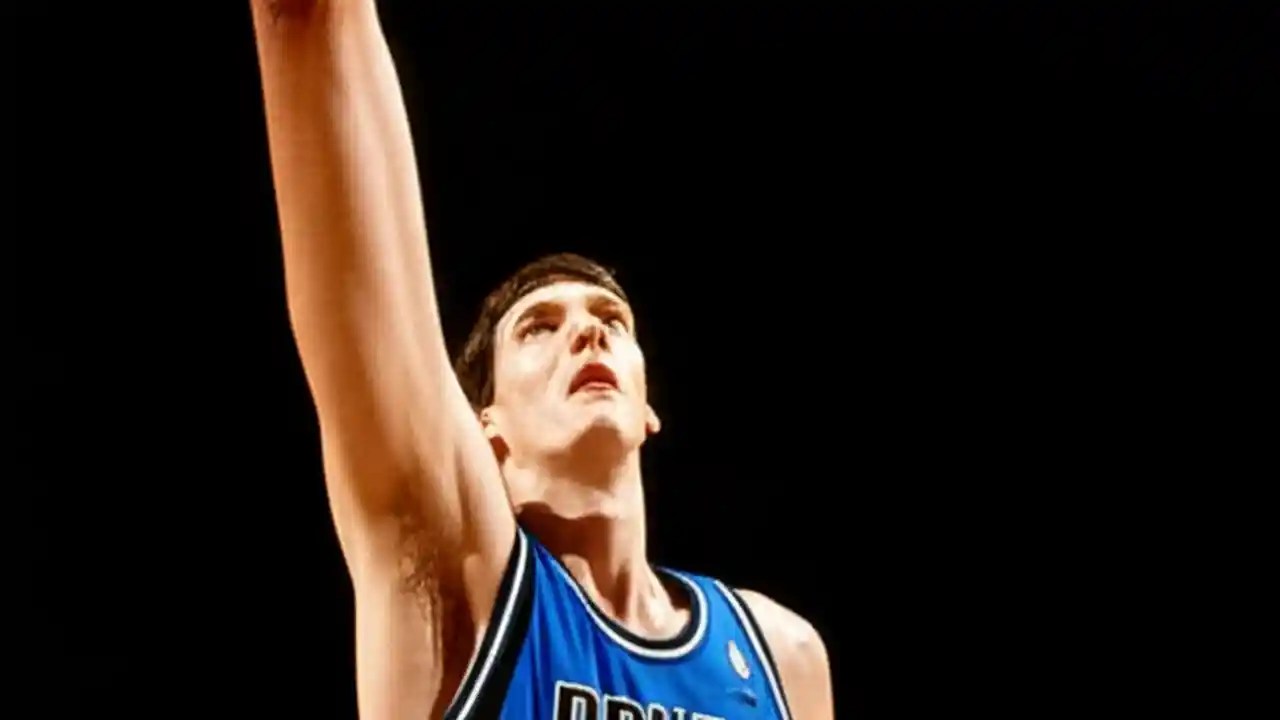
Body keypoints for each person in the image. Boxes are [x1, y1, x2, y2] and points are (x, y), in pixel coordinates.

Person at [249, 1, 835, 717]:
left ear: (648, 408)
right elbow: (307, 20)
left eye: (611, 321)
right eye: (539, 328)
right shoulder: (456, 581)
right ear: (485, 424)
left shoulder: (783, 656)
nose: (587, 335)